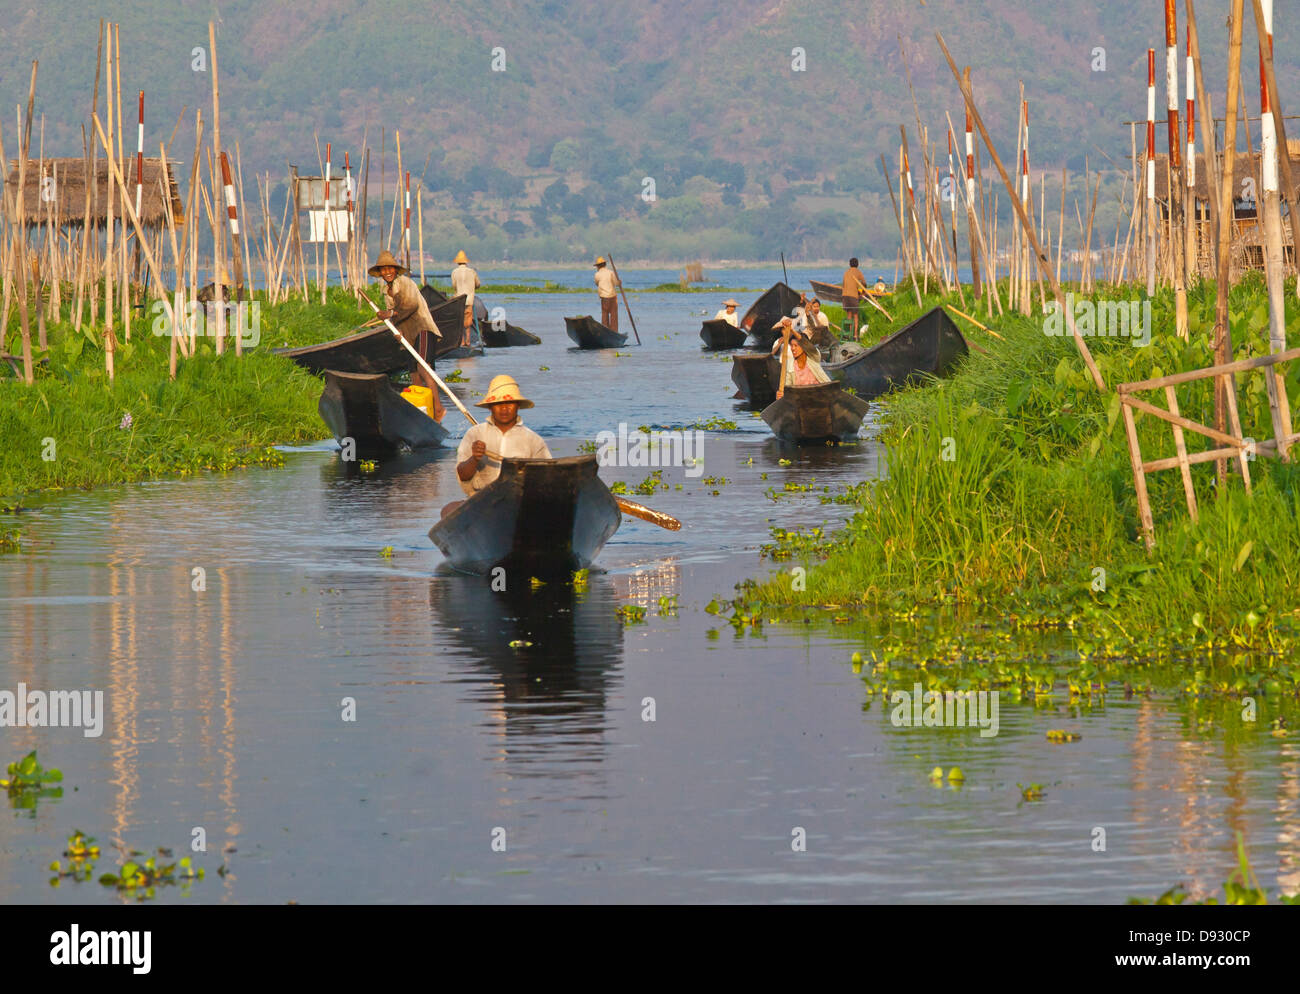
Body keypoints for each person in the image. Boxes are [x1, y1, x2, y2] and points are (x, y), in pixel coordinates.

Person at [444, 375, 552, 517]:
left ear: (518, 406)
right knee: (447, 510)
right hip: (480, 500)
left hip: (520, 503)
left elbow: (548, 479)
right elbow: (463, 475)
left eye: (510, 403)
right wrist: (475, 459)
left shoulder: (533, 440)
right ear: (490, 407)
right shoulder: (475, 434)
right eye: (498, 404)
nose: (504, 409)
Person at [371, 249, 444, 421]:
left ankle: (438, 408)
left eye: (390, 268)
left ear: (395, 270)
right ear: (380, 272)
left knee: (423, 367)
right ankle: (421, 411)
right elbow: (395, 315)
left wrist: (389, 314)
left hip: (422, 328)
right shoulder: (386, 290)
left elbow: (410, 306)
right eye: (383, 269)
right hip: (409, 335)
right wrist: (397, 331)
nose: (387, 272)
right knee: (413, 373)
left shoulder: (405, 282)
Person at [771, 320, 830, 399]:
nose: (793, 348)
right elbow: (788, 388)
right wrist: (782, 395)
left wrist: (791, 330)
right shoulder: (790, 365)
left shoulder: (813, 357)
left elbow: (805, 343)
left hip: (821, 396)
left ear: (804, 347)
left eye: (796, 346)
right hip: (802, 400)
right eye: (791, 346)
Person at [450, 249, 480, 348]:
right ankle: (467, 342)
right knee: (468, 322)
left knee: (460, 321)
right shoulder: (472, 272)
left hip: (459, 300)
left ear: (458, 262)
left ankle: (462, 342)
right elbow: (478, 284)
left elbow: (454, 286)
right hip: (469, 300)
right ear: (466, 261)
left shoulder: (454, 272)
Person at [841, 256, 868, 338]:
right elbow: (864, 283)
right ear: (858, 264)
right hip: (853, 296)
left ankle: (849, 334)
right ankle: (855, 335)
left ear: (849, 264)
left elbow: (844, 284)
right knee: (855, 316)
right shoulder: (858, 272)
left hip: (845, 296)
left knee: (849, 315)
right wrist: (863, 293)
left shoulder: (846, 272)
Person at [593, 256, 620, 331]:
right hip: (612, 297)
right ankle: (614, 331)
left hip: (604, 298)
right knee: (614, 315)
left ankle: (605, 330)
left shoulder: (597, 274)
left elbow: (597, 283)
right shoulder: (611, 272)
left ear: (598, 266)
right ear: (604, 264)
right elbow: (615, 283)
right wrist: (619, 282)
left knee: (604, 315)